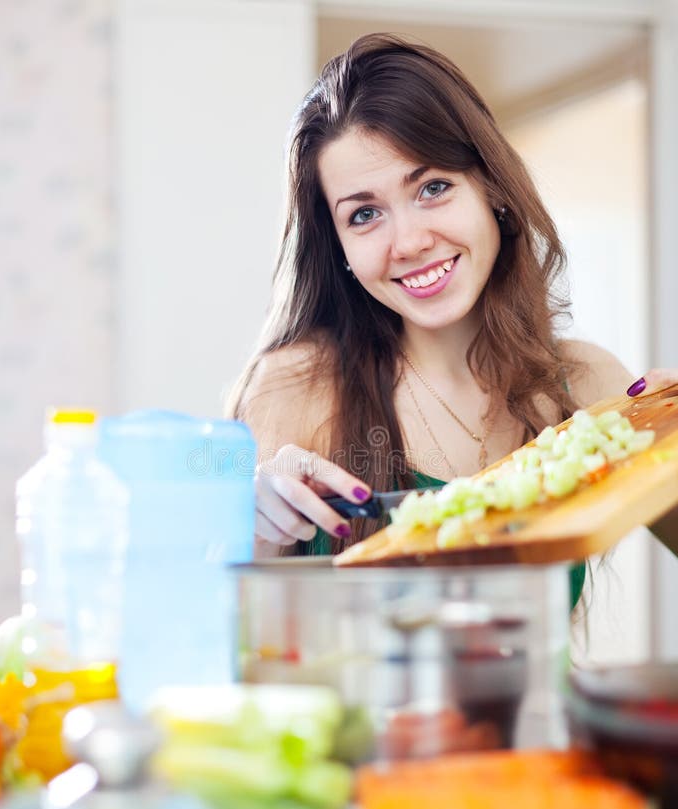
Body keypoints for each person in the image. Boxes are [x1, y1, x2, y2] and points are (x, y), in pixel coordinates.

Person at [227, 32, 678, 575]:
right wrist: (257, 533)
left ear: (491, 190)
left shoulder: (589, 384)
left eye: (433, 187)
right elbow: (215, 630)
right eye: (364, 215)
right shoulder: (294, 389)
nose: (410, 242)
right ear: (339, 246)